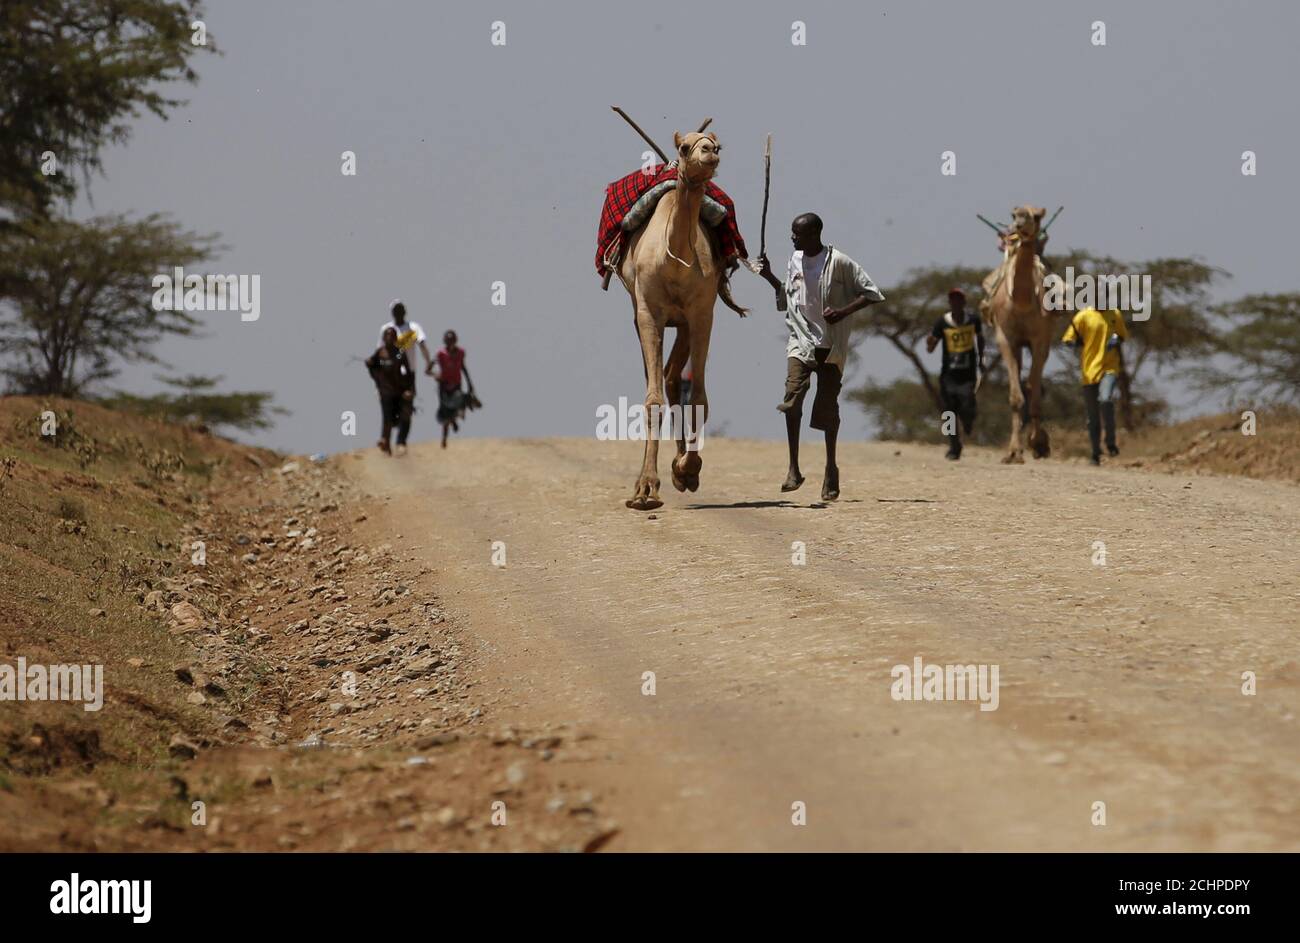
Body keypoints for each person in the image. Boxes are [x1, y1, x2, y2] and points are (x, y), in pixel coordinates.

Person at [757, 213, 884, 501]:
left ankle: (830, 468)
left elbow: (872, 293)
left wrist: (842, 312)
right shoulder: (794, 260)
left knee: (827, 409)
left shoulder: (839, 262)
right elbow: (788, 298)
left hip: (830, 345)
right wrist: (769, 276)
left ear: (814, 233)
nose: (792, 238)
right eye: (792, 233)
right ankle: (793, 468)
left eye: (797, 233)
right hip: (800, 342)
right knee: (792, 400)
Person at [1062, 307, 1128, 465]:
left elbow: (1122, 335)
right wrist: (1074, 342)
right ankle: (1095, 451)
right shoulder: (1083, 316)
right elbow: (1067, 338)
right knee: (1092, 416)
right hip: (1089, 371)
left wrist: (1116, 339)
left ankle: (1110, 442)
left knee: (1105, 400)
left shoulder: (1114, 314)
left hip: (1109, 367)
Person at [925, 288, 985, 460]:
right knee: (948, 413)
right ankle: (954, 447)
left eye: (959, 300)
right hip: (948, 376)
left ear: (964, 303)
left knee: (967, 405)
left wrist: (981, 360)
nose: (956, 304)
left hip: (967, 375)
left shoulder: (973, 320)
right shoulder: (942, 323)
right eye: (953, 301)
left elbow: (980, 339)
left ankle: (968, 422)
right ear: (950, 303)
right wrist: (929, 343)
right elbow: (931, 347)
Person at [365, 327, 415, 455]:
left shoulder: (399, 353)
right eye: (387, 336)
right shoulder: (380, 353)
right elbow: (372, 365)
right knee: (386, 417)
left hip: (399, 391)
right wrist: (370, 365)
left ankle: (401, 442)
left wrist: (410, 389)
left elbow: (408, 372)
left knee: (405, 415)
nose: (389, 338)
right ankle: (385, 441)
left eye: (392, 336)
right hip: (385, 391)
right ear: (383, 338)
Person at [434, 329, 475, 449]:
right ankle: (445, 438)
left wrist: (470, 384)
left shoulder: (460, 353)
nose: (449, 343)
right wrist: (434, 374)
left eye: (451, 340)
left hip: (456, 385)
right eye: (447, 341)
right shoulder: (441, 354)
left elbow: (463, 367)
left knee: (461, 400)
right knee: (445, 412)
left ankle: (457, 415)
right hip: (443, 387)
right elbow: (430, 367)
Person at [378, 300, 435, 377]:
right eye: (396, 310)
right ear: (392, 313)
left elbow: (422, 345)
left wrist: (428, 362)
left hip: (409, 371)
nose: (398, 312)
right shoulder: (386, 329)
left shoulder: (414, 327)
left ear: (405, 311)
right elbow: (380, 350)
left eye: (400, 309)